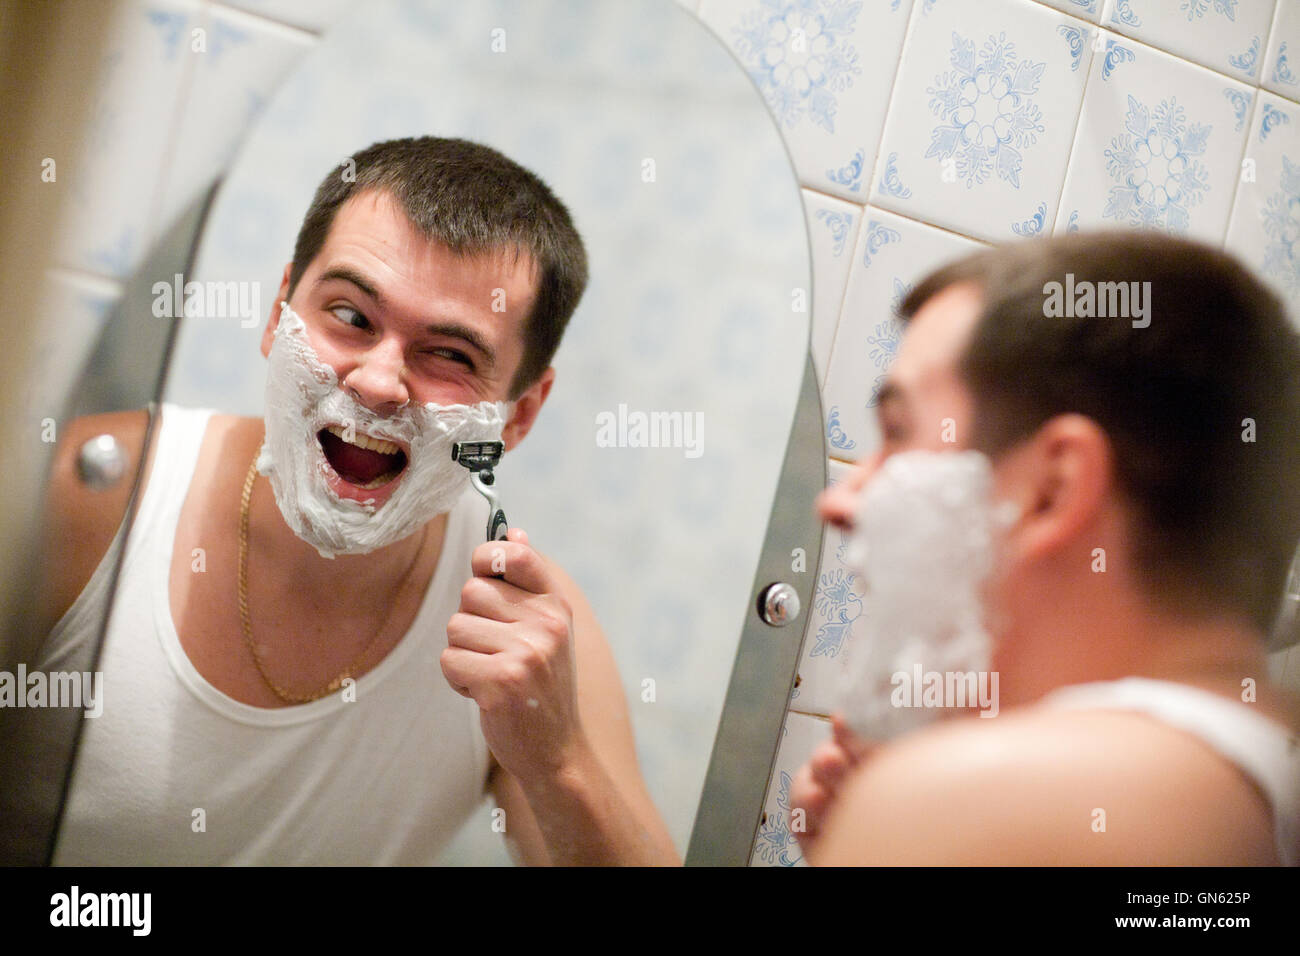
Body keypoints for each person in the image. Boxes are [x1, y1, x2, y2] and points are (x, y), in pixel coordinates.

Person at [34, 136, 678, 865]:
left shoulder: (525, 632)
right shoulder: (88, 499)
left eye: (451, 355)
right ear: (279, 314)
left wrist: (559, 763)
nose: (377, 382)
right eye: (351, 315)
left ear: (519, 415)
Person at [791, 230, 1300, 865]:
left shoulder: (976, 806)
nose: (840, 501)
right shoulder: (1261, 785)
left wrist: (908, 819)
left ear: (1053, 490)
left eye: (898, 432)